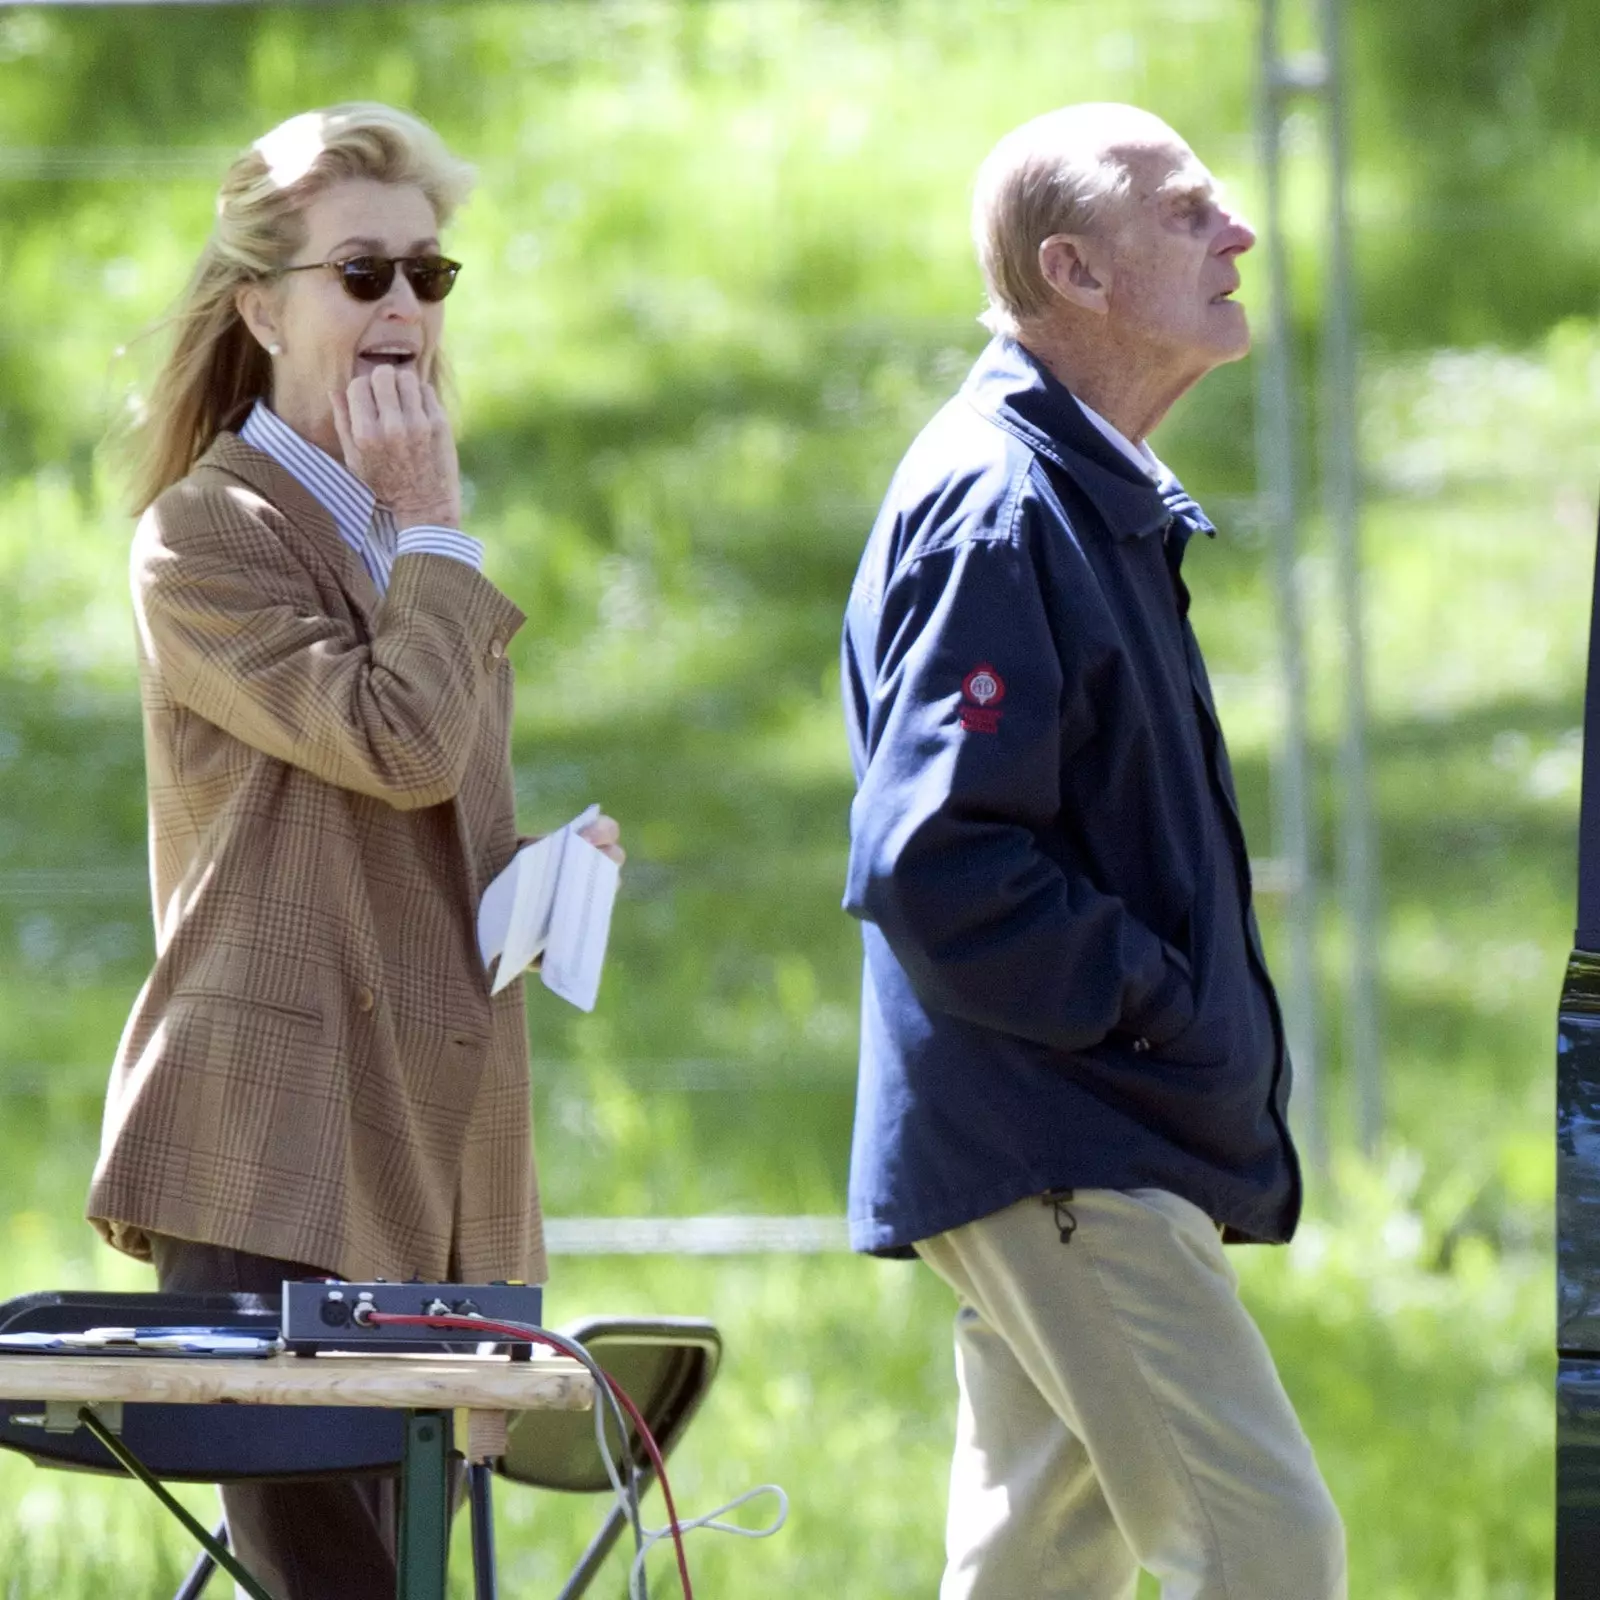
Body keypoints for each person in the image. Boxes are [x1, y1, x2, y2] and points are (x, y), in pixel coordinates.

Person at [90, 102, 622, 1600]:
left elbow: (400, 822)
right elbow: (389, 743)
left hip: (433, 1166)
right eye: (363, 274)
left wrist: (542, 881)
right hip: (274, 1166)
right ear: (261, 306)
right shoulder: (208, 535)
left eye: (427, 276)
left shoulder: (408, 542)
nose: (404, 308)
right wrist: (436, 524)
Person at [840, 103, 1346, 1598]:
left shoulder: (1075, 488)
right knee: (1266, 1550)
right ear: (1074, 270)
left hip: (1069, 1138)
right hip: (1072, 1140)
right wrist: (1158, 1010)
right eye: (1186, 211)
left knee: (1034, 1576)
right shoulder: (1003, 508)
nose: (1236, 229)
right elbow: (936, 860)